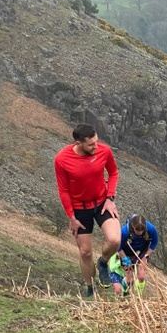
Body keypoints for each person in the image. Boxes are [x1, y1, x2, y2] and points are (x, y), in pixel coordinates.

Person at [54, 123, 120, 298]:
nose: (95, 147)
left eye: (96, 142)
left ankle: (103, 263)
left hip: (101, 203)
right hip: (79, 209)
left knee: (114, 240)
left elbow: (113, 173)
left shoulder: (104, 151)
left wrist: (110, 198)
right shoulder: (62, 159)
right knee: (85, 252)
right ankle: (90, 288)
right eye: (91, 144)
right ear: (78, 142)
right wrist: (71, 217)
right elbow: (63, 190)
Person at [117, 213, 158, 295]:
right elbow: (119, 247)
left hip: (143, 251)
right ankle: (125, 293)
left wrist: (146, 256)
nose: (139, 233)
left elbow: (154, 243)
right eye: (137, 231)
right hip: (126, 252)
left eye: (142, 231)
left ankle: (139, 295)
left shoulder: (151, 229)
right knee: (130, 278)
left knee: (141, 276)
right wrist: (125, 259)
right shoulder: (124, 231)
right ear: (132, 226)